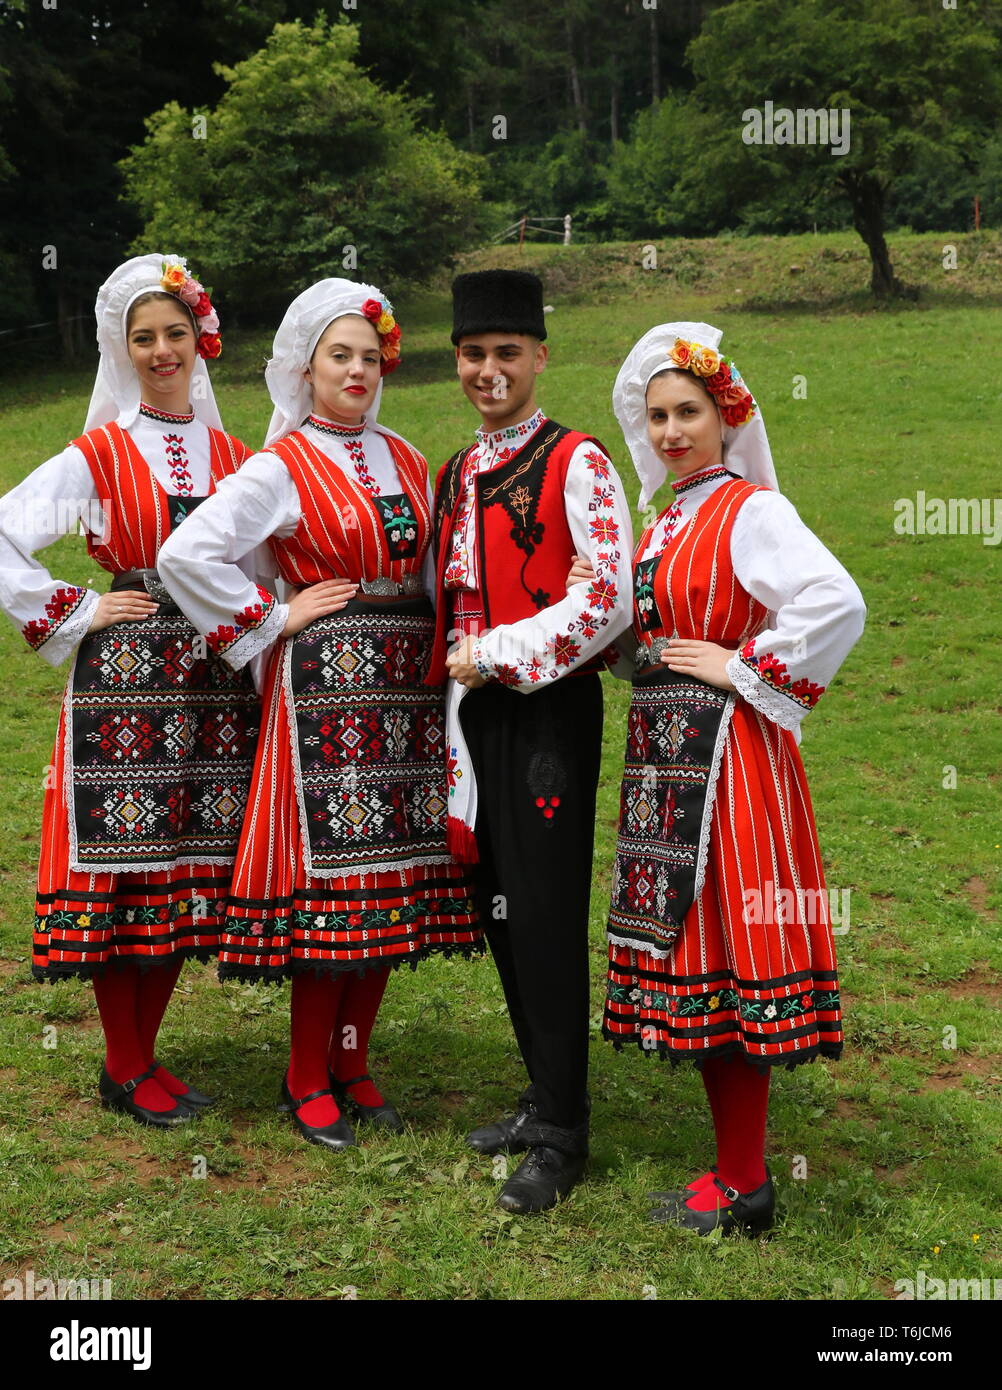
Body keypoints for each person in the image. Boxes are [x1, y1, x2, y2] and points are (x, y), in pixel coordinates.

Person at [158, 278, 481, 1153]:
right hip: (329, 690)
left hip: (405, 685)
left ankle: (354, 1059)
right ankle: (307, 1072)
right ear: (306, 367)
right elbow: (187, 552)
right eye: (341, 355)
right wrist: (272, 618)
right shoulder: (280, 464)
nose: (358, 371)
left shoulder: (408, 456)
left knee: (392, 882)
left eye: (371, 358)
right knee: (339, 885)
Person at [581, 320, 865, 1234]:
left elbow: (836, 600)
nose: (670, 431)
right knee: (699, 960)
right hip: (667, 754)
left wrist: (742, 665)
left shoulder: (751, 509)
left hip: (730, 761)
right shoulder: (664, 516)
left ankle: (745, 1183)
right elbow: (647, 629)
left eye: (688, 412)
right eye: (658, 415)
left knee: (732, 963)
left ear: (724, 414)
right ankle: (737, 1174)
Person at [0, 253, 261, 1127]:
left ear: (200, 341)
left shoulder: (236, 453)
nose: (160, 351)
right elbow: (5, 534)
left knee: (189, 870)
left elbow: (264, 562)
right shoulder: (101, 450)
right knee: (129, 867)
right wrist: (75, 607)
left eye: (174, 334)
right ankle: (123, 1064)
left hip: (215, 683)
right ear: (123, 347)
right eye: (142, 337)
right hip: (129, 678)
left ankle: (147, 1057)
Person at [428, 269, 634, 1212]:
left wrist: (498, 652)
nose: (489, 370)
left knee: (544, 910)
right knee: (499, 900)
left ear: (540, 357)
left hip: (545, 704)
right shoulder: (457, 470)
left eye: (507, 353)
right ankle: (542, 1092)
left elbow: (604, 598)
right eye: (474, 354)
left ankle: (563, 1130)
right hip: (471, 713)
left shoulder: (577, 460)